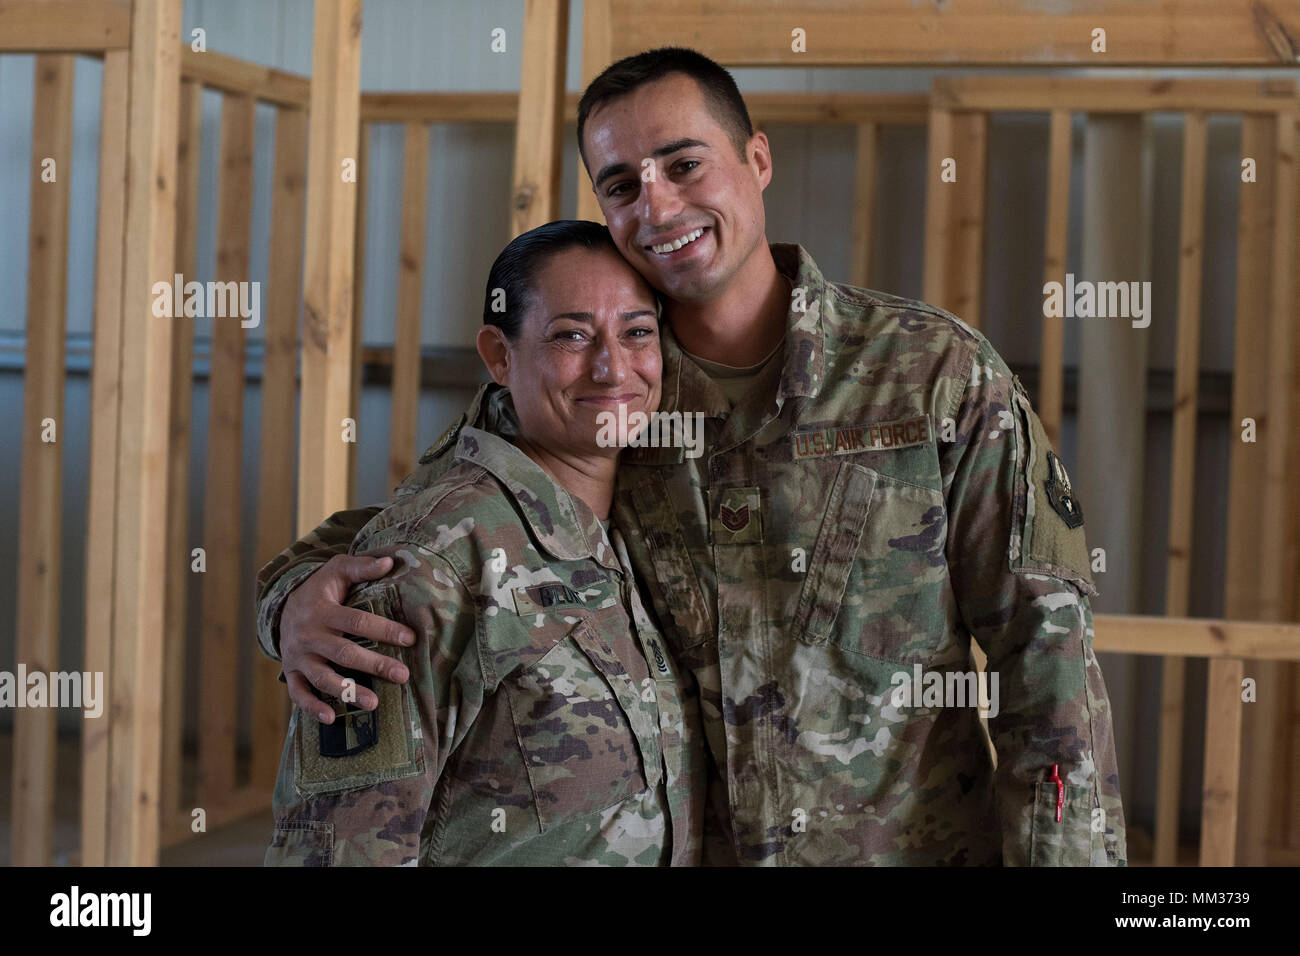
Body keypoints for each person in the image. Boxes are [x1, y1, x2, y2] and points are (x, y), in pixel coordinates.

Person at [258, 48, 1127, 867]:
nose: (658, 207)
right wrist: (292, 595)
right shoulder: (608, 386)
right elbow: (434, 520)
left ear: (756, 158)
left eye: (684, 165)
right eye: (622, 185)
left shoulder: (932, 375)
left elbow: (1045, 662)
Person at [264, 220, 704, 866]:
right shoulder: (432, 563)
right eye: (572, 335)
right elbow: (336, 853)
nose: (613, 367)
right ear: (500, 356)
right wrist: (285, 604)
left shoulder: (646, 511)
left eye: (637, 332)